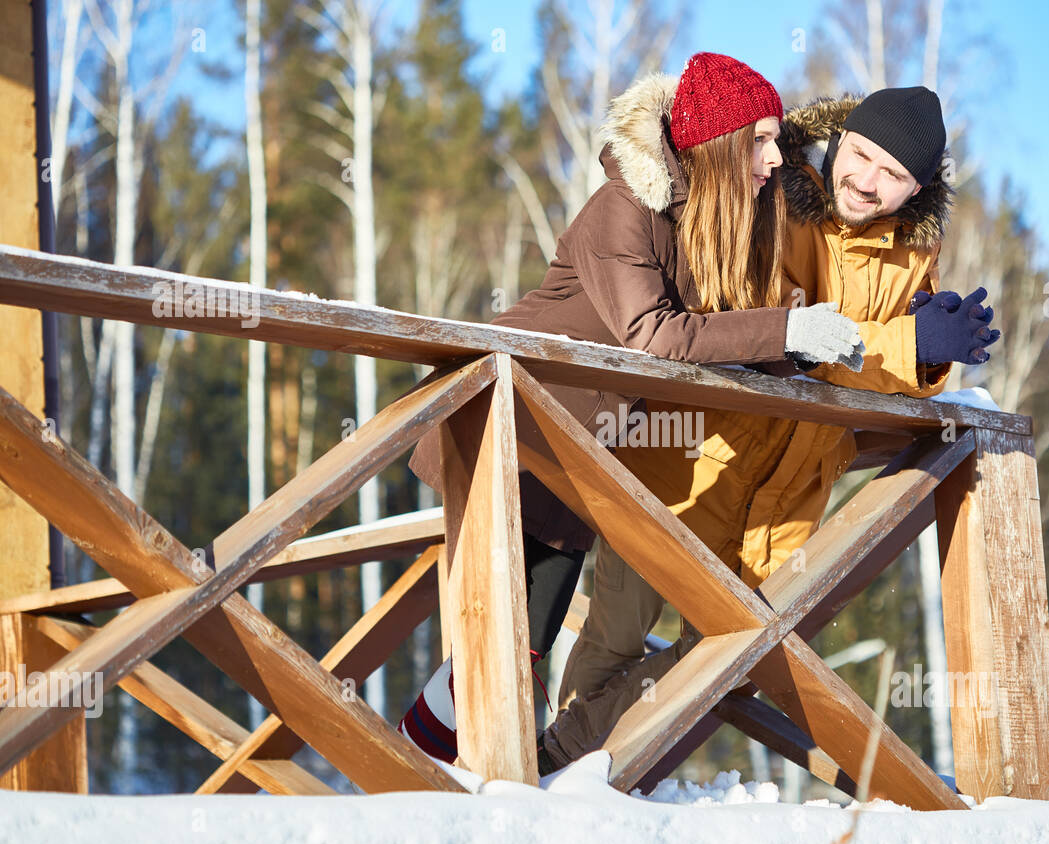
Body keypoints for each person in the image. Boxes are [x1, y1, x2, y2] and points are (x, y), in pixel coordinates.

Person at [397, 52, 867, 765]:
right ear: (716, 143)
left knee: (518, 646)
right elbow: (657, 336)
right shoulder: (622, 208)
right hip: (509, 429)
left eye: (777, 140)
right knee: (497, 641)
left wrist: (799, 355)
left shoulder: (700, 221)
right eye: (760, 140)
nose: (775, 157)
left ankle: (435, 770)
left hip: (578, 453)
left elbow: (719, 335)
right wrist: (788, 328)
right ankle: (425, 773)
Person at [541, 86, 1001, 774]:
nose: (869, 183)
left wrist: (927, 356)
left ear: (920, 187)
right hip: (692, 461)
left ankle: (572, 761)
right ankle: (580, 776)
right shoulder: (772, 199)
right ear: (841, 138)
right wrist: (903, 344)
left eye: (895, 176)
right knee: (614, 632)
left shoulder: (913, 255)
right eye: (863, 155)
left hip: (788, 500)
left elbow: (859, 375)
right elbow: (770, 333)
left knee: (733, 654)